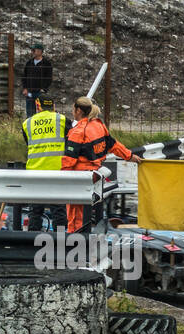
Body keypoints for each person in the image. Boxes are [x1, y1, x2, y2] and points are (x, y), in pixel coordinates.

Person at [61, 96, 142, 233]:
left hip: (79, 176)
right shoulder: (99, 126)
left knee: (74, 213)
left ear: (78, 110)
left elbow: (69, 160)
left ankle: (75, 239)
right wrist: (130, 156)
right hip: (96, 175)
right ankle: (86, 238)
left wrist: (62, 180)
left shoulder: (77, 132)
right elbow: (114, 145)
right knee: (90, 210)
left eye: (73, 110)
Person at [22, 96, 68, 230]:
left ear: (38, 106)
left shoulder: (27, 123)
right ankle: (60, 241)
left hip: (35, 172)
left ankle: (32, 242)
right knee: (58, 209)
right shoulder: (62, 120)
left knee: (35, 210)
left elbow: (28, 143)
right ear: (53, 106)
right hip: (57, 171)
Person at [21, 43, 52, 116]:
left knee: (42, 113)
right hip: (30, 91)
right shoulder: (29, 63)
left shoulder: (46, 63)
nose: (33, 52)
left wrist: (43, 89)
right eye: (32, 50)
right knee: (30, 113)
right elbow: (24, 76)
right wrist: (25, 88)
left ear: (40, 51)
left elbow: (49, 78)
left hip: (40, 92)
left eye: (34, 50)